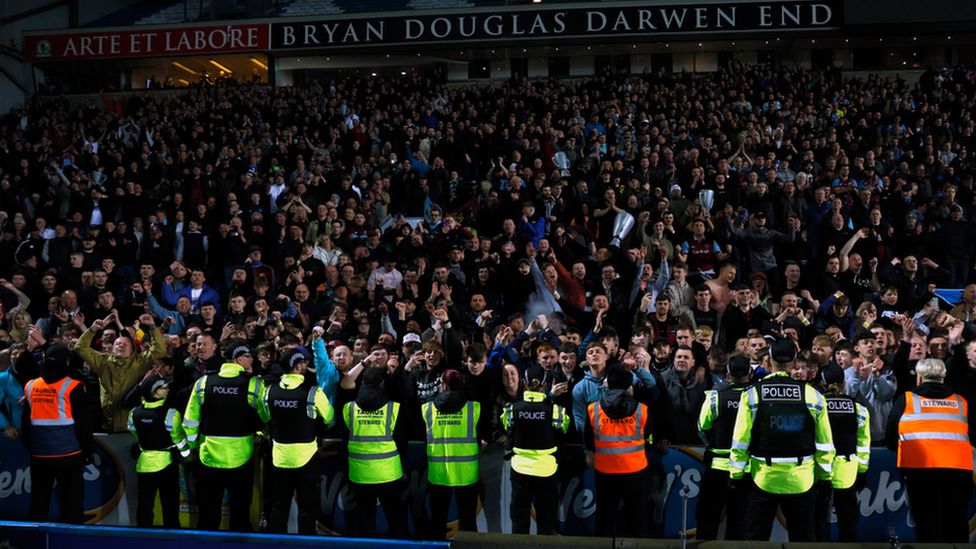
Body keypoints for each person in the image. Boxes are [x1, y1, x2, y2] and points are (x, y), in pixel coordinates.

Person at [729, 338, 835, 541]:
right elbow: (825, 444)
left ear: (769, 361)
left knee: (755, 540)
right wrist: (825, 478)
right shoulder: (813, 395)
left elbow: (740, 440)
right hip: (802, 480)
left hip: (763, 478)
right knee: (803, 540)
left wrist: (736, 475)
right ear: (794, 363)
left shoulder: (752, 395)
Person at [886, 358, 974, 543]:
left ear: (919, 377)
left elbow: (891, 432)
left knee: (928, 523)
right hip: (959, 471)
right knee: (956, 522)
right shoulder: (961, 401)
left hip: (920, 470)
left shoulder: (906, 400)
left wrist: (896, 448)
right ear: (943, 377)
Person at [183, 340, 267, 531]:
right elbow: (265, 417)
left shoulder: (204, 382)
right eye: (249, 356)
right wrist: (261, 434)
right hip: (242, 457)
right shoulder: (254, 384)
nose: (252, 359)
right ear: (239, 359)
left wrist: (193, 447)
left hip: (208, 457)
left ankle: (207, 542)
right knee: (240, 511)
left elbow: (190, 421)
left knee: (208, 512)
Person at [261, 348, 334, 535]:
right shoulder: (313, 393)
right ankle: (307, 542)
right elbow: (329, 418)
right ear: (298, 366)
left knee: (279, 505)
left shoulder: (268, 392)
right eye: (303, 363)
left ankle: (275, 542)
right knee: (307, 507)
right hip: (306, 458)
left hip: (279, 458)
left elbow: (265, 417)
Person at [22, 344, 92, 523]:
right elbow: (83, 423)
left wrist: (32, 447)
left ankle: (35, 538)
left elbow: (25, 422)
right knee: (72, 502)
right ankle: (71, 537)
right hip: (68, 453)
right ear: (66, 361)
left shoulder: (30, 386)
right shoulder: (73, 386)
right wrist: (87, 450)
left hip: (39, 453)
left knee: (38, 502)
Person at [500, 364, 569, 535]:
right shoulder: (556, 411)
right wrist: (550, 399)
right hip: (547, 470)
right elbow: (564, 428)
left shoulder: (511, 409)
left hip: (520, 469)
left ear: (524, 382)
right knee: (546, 523)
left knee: (519, 522)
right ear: (546, 384)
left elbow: (506, 425)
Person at [584, 364, 651, 538]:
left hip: (605, 472)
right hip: (636, 471)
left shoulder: (593, 409)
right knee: (638, 520)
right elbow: (650, 437)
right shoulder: (642, 410)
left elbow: (588, 441)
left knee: (604, 519)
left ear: (607, 384)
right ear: (629, 385)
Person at [343, 366, 408, 538]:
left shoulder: (349, 408)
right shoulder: (394, 408)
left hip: (359, 475)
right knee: (396, 521)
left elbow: (344, 439)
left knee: (365, 523)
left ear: (363, 382)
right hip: (389, 474)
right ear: (382, 383)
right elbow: (401, 442)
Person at [695, 355, 752, 540]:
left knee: (708, 518)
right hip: (745, 469)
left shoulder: (715, 397)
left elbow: (702, 427)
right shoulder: (756, 398)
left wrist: (712, 444)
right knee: (739, 521)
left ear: (728, 373)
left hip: (716, 468)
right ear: (750, 373)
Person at [422, 368, 482, 539]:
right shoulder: (473, 408)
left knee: (438, 521)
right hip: (467, 474)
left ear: (443, 385)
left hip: (439, 474)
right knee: (468, 521)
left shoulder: (427, 408)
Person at [815, 366, 870, 542]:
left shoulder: (816, 406)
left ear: (821, 384)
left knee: (818, 520)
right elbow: (863, 444)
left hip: (818, 470)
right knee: (848, 521)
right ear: (843, 383)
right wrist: (862, 470)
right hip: (847, 471)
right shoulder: (858, 408)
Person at [127, 376, 189, 528]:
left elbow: (134, 433)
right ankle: (172, 536)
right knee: (170, 505)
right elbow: (178, 438)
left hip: (143, 465)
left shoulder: (134, 413)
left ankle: (142, 536)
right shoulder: (171, 413)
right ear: (154, 391)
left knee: (144, 506)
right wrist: (186, 454)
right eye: (164, 387)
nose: (168, 389)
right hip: (167, 464)